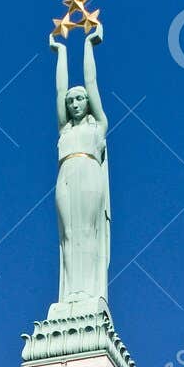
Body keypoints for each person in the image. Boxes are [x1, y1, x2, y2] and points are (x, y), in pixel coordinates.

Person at [49, 22, 109, 311]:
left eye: (79, 99)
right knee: (68, 235)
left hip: (89, 173)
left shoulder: (98, 126)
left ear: (87, 102)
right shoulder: (64, 131)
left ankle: (87, 291)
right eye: (71, 100)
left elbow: (92, 82)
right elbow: (59, 89)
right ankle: (71, 294)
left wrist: (88, 45)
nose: (74, 103)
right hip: (66, 175)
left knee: (86, 231)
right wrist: (60, 51)